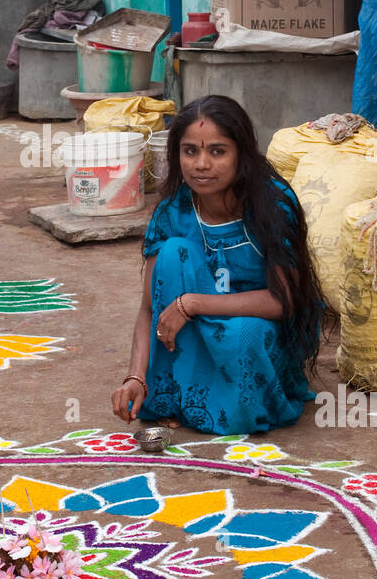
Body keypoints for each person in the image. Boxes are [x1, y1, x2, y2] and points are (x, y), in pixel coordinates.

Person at [111, 94, 323, 436]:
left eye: (217, 151)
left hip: (254, 334)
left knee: (242, 334)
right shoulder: (173, 212)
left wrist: (193, 303)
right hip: (195, 334)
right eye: (190, 151)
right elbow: (150, 310)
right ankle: (174, 395)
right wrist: (135, 377)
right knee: (173, 253)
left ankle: (224, 404)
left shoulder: (273, 204)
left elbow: (283, 301)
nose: (201, 164)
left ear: (241, 155)